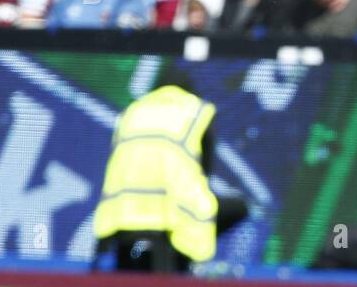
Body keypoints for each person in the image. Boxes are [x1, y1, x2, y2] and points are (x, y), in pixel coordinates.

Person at [92, 72, 248, 273]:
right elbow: (204, 175)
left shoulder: (131, 112)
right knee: (237, 207)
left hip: (121, 213)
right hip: (173, 213)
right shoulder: (196, 111)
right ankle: (188, 265)